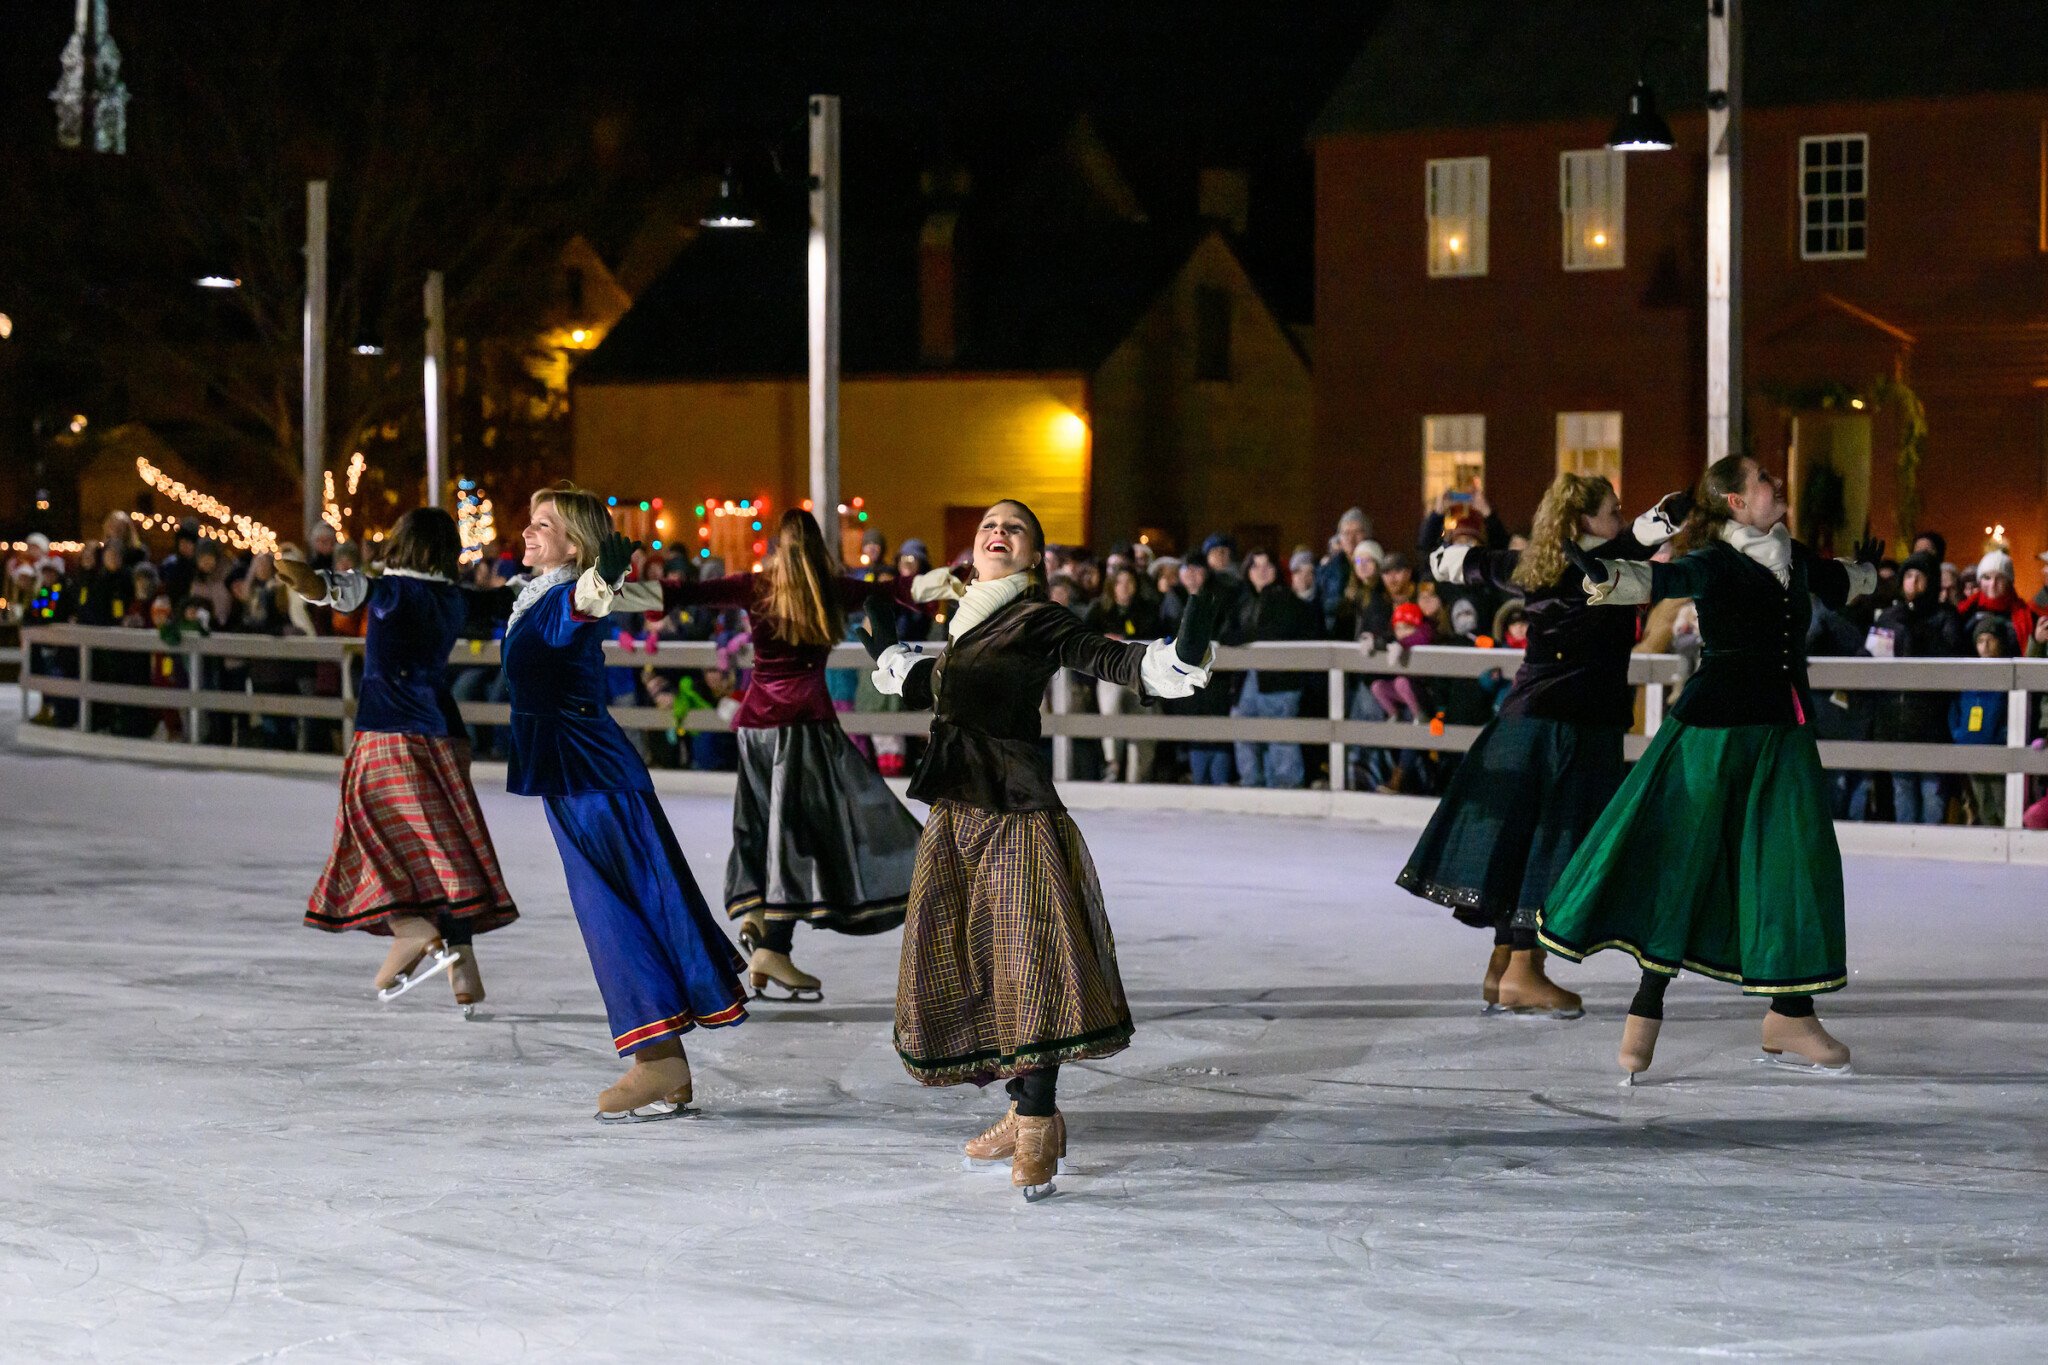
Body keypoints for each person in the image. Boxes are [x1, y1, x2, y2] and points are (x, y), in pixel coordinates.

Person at [861, 499, 1221, 1200]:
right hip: (956, 816)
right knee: (984, 964)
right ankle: (1031, 1110)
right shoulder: (966, 625)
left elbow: (1107, 657)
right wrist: (887, 653)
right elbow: (938, 686)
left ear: (1033, 557)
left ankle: (1033, 1126)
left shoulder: (1039, 617)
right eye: (989, 524)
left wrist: (1175, 658)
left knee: (1032, 961)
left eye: (1015, 527)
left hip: (1018, 811)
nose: (998, 531)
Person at [1540, 456, 1879, 1080]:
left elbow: (1839, 584)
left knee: (1794, 863)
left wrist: (1869, 572)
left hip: (1783, 732)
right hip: (1713, 735)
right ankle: (1645, 1012)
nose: (1777, 484)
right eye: (1763, 482)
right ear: (1734, 502)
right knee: (1684, 860)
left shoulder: (1792, 554)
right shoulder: (1717, 559)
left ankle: (1789, 1015)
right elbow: (1662, 582)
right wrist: (1610, 575)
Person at [502, 486, 749, 1121]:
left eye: (543, 525)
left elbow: (581, 609)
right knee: (624, 907)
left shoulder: (564, 596)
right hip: (576, 778)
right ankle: (664, 1062)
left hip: (594, 780)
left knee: (615, 914)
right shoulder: (531, 598)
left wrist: (603, 577)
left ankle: (658, 1059)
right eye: (528, 523)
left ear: (576, 545)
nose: (528, 534)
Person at [1403, 473, 1687, 1015]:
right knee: (1551, 847)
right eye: (1612, 511)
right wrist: (1663, 521)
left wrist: (1443, 554)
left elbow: (1467, 563)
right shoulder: (1596, 568)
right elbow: (1629, 546)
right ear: (1585, 520)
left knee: (1525, 841)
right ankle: (1524, 972)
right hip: (1570, 730)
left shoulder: (1535, 566)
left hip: (1524, 724)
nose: (1619, 519)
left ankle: (1502, 968)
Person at [655, 509, 927, 1001]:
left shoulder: (756, 586)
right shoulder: (831, 587)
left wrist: (619, 585)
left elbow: (686, 593)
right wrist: (954, 582)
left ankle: (759, 916)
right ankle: (774, 944)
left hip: (756, 727)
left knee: (762, 822)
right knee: (802, 833)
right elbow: (897, 593)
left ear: (776, 546)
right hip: (805, 725)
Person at [276, 509, 518, 1012]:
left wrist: (302, 576)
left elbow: (334, 589)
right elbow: (509, 599)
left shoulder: (392, 591)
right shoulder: (454, 599)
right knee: (443, 851)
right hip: (445, 735)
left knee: (368, 835)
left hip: (388, 733)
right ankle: (464, 969)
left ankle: (409, 928)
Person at [1230, 549, 1322, 788]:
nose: (1261, 571)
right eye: (1255, 566)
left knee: (1279, 737)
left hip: (1280, 681)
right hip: (1249, 678)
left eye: (1267, 565)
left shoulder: (1284, 597)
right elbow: (1226, 631)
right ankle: (1252, 783)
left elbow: (1276, 631)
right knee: (1244, 731)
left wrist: (1240, 636)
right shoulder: (1245, 601)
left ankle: (1286, 788)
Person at [1085, 564, 1162, 782]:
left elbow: (1156, 638)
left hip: (1141, 675)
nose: (1125, 587)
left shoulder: (1147, 609)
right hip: (1110, 673)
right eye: (1120, 582)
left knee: (1144, 721)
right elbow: (1082, 636)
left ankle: (1138, 776)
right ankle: (1112, 764)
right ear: (1111, 586)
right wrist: (1103, 640)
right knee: (1111, 709)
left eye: (1130, 582)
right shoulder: (1099, 609)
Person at [1952, 614, 2018, 825]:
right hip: (1972, 746)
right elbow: (1955, 708)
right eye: (1980, 640)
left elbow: (2017, 710)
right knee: (1983, 803)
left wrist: (2004, 735)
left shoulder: (2010, 672)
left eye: (1991, 639)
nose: (1986, 645)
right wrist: (1959, 733)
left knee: (2002, 802)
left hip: (1998, 749)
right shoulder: (1970, 674)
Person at [1957, 549, 2035, 643]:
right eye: (1987, 577)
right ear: (1979, 581)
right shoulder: (1966, 610)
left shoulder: (2025, 615)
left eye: (2000, 578)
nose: (1992, 584)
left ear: (2009, 582)